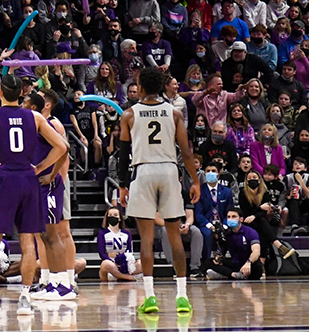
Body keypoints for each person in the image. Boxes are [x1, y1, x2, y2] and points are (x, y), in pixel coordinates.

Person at [0, 74, 68, 318]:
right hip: (28, 179)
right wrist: (41, 167)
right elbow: (62, 146)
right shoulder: (34, 116)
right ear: (20, 95)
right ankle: (25, 297)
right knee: (28, 241)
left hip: (4, 178)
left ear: (0, 93)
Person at [117, 68, 200, 315]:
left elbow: (123, 153)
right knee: (175, 237)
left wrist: (122, 184)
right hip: (168, 170)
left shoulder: (129, 114)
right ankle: (182, 297)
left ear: (140, 88)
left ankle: (150, 297)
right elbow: (186, 152)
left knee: (147, 239)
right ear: (163, 87)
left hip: (142, 171)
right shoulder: (174, 114)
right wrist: (194, 181)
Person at [27, 90, 77, 301]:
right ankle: (46, 279)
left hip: (55, 183)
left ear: (46, 104)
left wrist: (58, 179)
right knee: (42, 234)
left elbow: (63, 154)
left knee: (62, 231)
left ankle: (68, 279)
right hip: (40, 184)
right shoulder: (35, 124)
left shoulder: (54, 124)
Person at [205, 208, 263, 280]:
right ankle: (232, 275)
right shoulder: (226, 233)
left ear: (241, 219)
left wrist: (249, 262)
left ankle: (226, 275)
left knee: (258, 268)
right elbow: (221, 253)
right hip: (234, 263)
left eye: (234, 216)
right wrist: (218, 258)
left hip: (248, 263)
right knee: (208, 262)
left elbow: (256, 251)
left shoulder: (250, 232)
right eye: (229, 217)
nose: (231, 219)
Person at [97, 208, 139, 282]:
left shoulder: (126, 233)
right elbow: (102, 253)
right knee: (105, 264)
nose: (112, 217)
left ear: (120, 218)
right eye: (110, 215)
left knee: (141, 263)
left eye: (115, 215)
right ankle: (125, 277)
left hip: (125, 262)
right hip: (111, 264)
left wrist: (124, 261)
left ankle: (121, 275)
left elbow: (130, 250)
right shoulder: (102, 233)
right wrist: (114, 262)